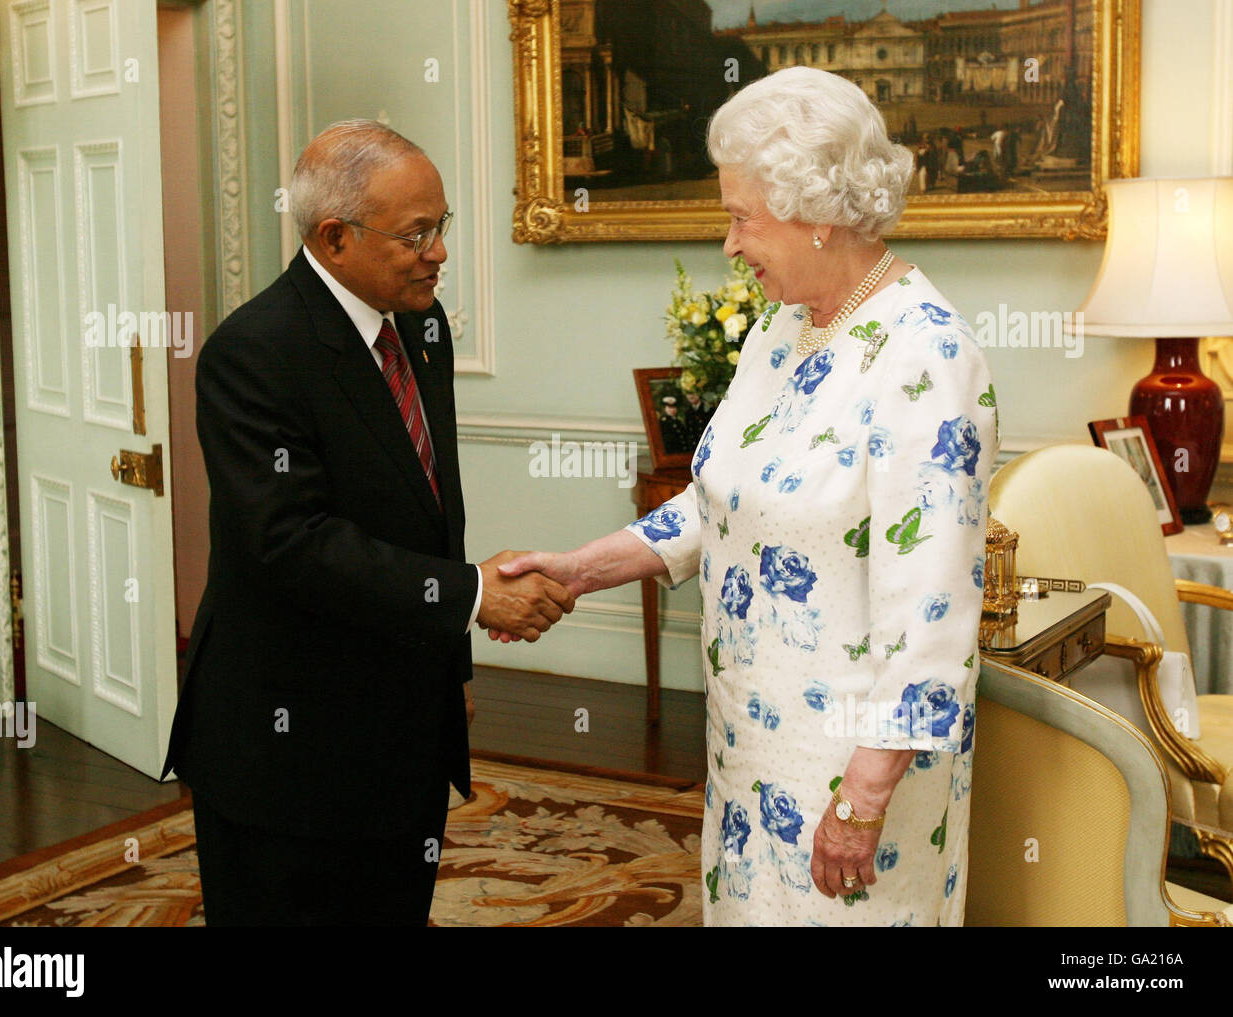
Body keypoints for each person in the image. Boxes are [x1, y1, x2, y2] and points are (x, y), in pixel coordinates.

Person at [491, 67, 998, 926]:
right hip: (749, 746)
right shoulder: (781, 328)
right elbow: (716, 502)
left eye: (740, 217)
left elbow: (933, 615)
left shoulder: (926, 355)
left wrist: (863, 798)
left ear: (820, 214)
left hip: (855, 769)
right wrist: (579, 570)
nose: (728, 244)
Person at [160, 120, 575, 926]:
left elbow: (431, 520)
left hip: (403, 734)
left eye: (441, 225)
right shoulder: (252, 352)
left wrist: (448, 679)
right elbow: (292, 543)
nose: (439, 253)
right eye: (417, 233)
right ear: (334, 236)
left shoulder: (422, 328)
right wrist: (470, 596)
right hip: (288, 748)